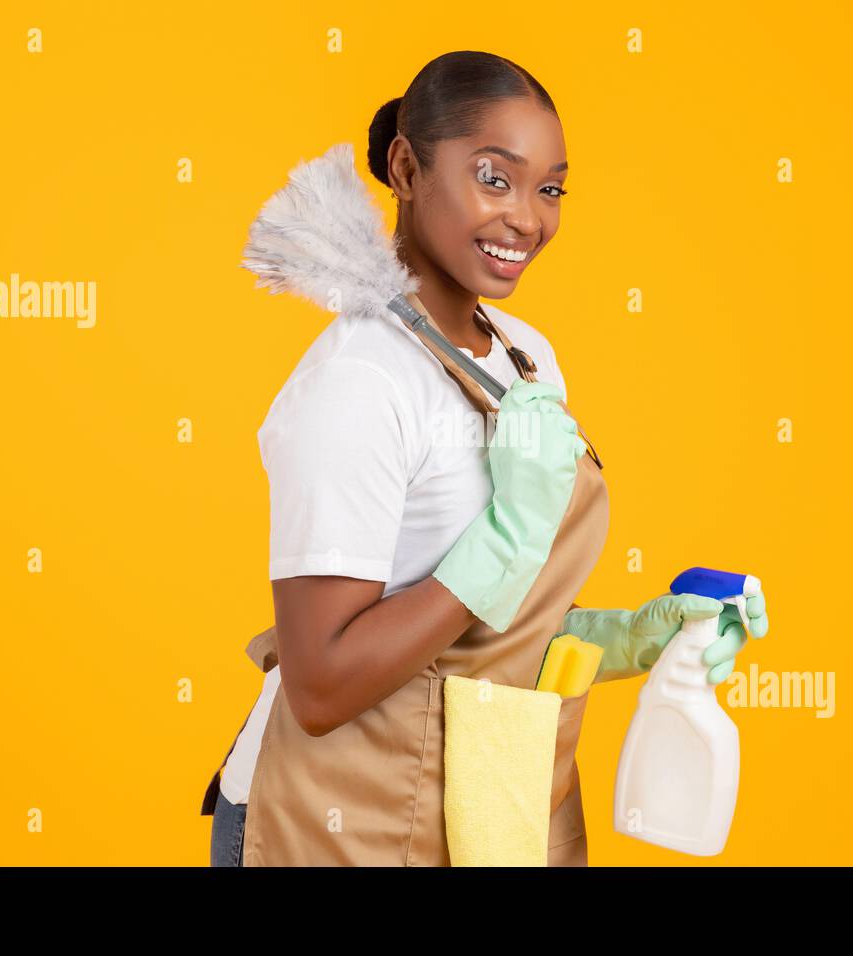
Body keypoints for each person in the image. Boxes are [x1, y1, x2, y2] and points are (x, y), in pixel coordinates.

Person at [205, 50, 768, 867]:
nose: (527, 219)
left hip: (487, 814)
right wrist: (504, 538)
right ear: (405, 167)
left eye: (550, 189)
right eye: (494, 179)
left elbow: (491, 639)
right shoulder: (358, 383)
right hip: (342, 823)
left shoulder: (525, 357)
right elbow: (321, 685)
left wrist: (636, 638)